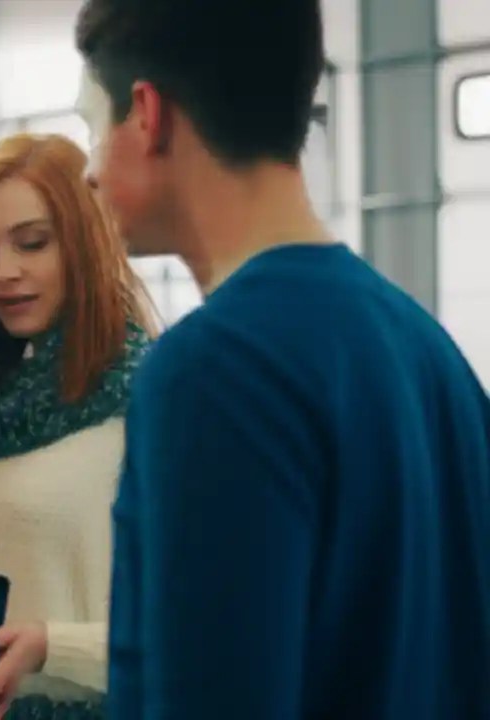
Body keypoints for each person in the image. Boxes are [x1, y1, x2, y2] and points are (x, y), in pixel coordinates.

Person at [73, 0, 490, 717]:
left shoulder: (212, 372)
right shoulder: (429, 352)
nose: (87, 171)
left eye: (91, 129)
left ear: (147, 115)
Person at [0, 133, 154, 720]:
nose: (3, 272)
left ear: (84, 242)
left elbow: (195, 620)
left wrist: (52, 645)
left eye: (32, 243)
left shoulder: (150, 397)